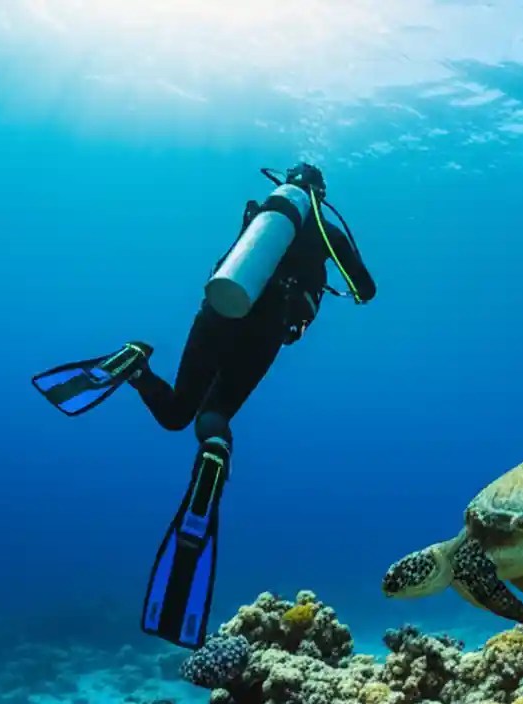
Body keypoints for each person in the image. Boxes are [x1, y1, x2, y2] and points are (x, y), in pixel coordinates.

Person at [30, 162, 376, 649]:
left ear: (288, 184)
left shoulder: (263, 216)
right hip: (266, 329)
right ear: (321, 191)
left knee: (175, 413)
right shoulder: (323, 225)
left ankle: (133, 364)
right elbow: (366, 289)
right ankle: (213, 451)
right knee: (214, 416)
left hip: (218, 310)